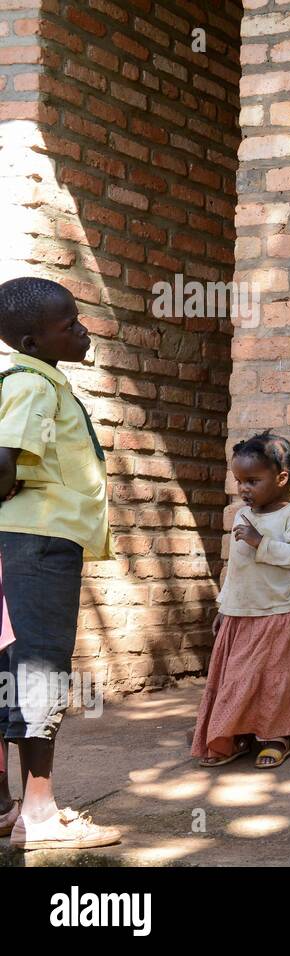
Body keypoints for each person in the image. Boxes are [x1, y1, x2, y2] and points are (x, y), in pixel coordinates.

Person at [0, 276, 120, 850]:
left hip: (26, 541)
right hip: (39, 544)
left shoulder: (39, 380)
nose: (82, 330)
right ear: (31, 339)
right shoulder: (34, 385)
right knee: (40, 668)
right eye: (68, 324)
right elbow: (5, 460)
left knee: (12, 664)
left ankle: (9, 808)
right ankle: (41, 815)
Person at [192, 431, 290, 769]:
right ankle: (234, 736)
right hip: (238, 614)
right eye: (239, 481)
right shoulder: (242, 517)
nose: (244, 489)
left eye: (253, 481)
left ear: (282, 478)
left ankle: (275, 738)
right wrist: (222, 606)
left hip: (275, 613)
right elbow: (236, 569)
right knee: (235, 680)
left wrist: (262, 542)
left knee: (272, 681)